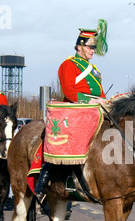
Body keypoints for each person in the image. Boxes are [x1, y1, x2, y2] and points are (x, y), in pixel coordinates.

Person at [34, 20, 108, 202]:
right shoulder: (68, 65)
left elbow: (100, 90)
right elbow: (69, 91)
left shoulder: (94, 69)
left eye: (94, 47)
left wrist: (106, 101)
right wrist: (92, 100)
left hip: (94, 111)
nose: (93, 51)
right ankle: (44, 181)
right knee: (64, 143)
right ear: (80, 47)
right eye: (90, 47)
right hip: (76, 112)